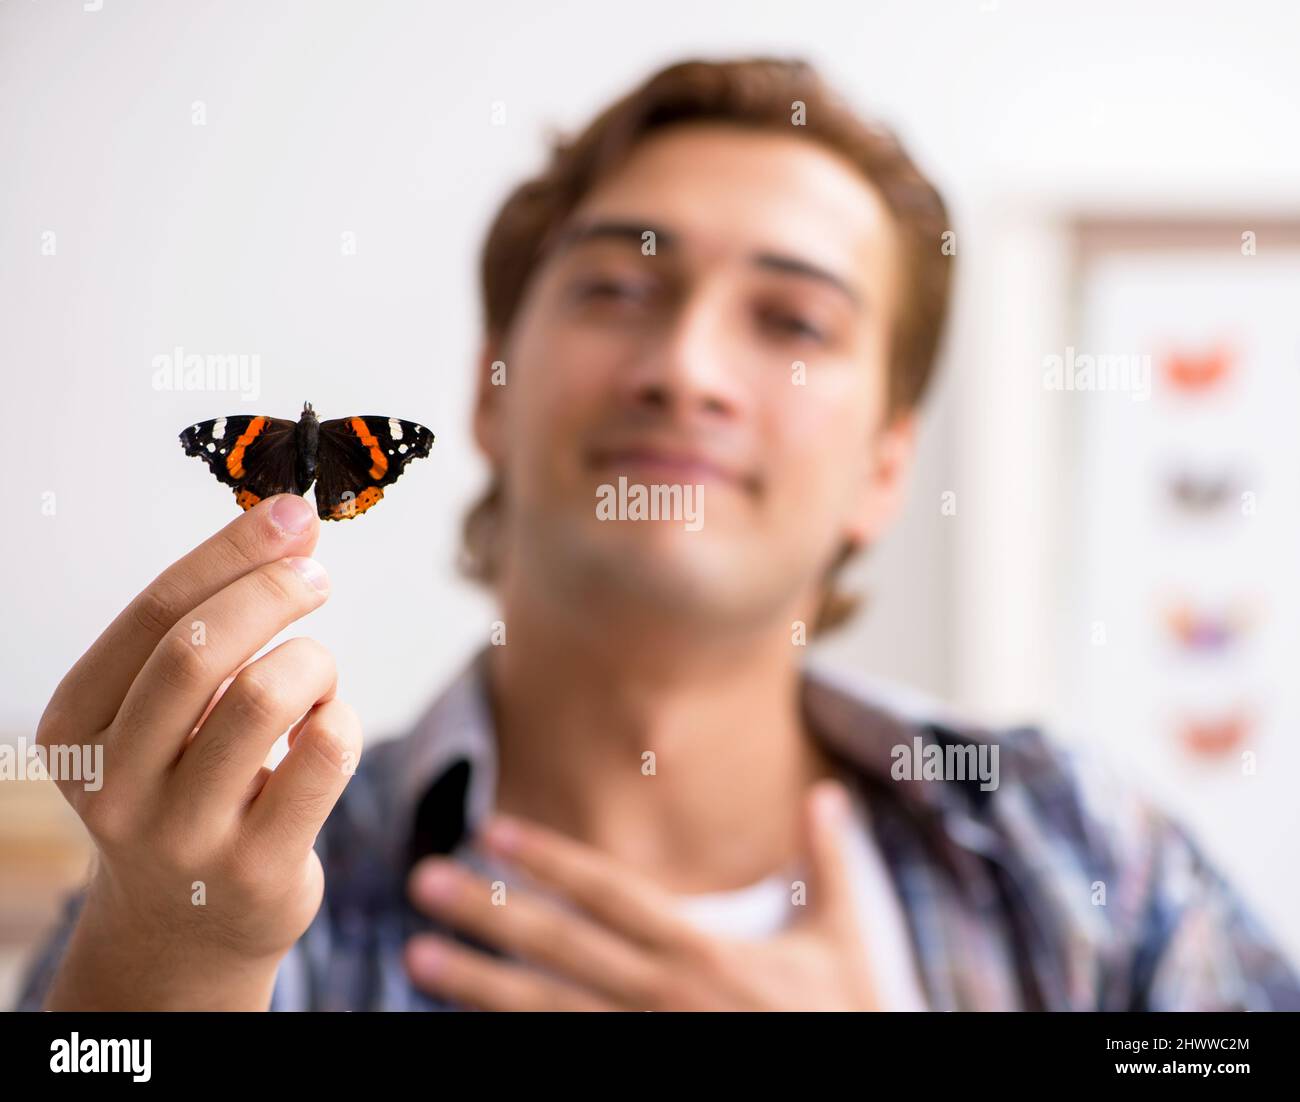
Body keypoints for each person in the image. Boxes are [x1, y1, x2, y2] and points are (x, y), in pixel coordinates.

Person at [16, 57, 1299, 1011]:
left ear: (885, 468)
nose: (686, 367)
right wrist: (165, 965)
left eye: (791, 321)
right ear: (489, 394)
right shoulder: (232, 880)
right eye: (620, 288)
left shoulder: (1078, 849)